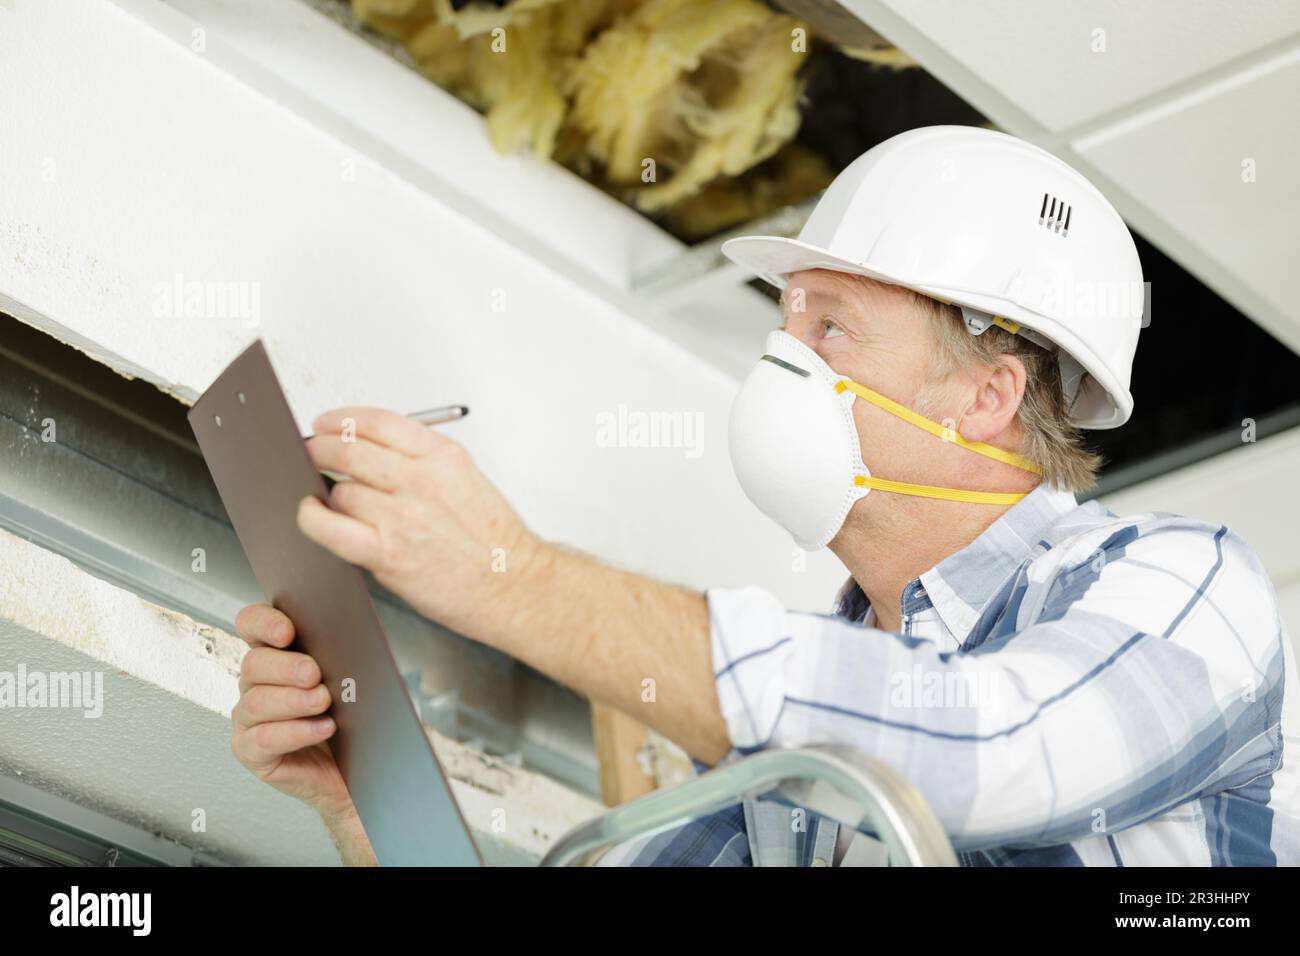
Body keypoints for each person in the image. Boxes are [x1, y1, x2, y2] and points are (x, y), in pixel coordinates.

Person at [229, 126, 1299, 866]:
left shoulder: (1184, 584)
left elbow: (982, 750)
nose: (780, 365)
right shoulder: (782, 774)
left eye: (828, 327)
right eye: (782, 323)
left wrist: (511, 579)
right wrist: (363, 799)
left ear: (986, 393)